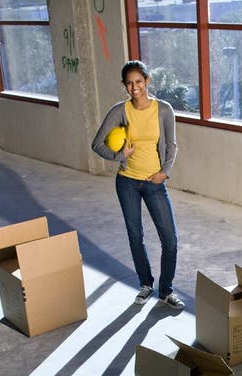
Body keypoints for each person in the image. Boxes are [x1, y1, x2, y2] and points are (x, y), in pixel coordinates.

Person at [92, 60, 184, 309]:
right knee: (136, 236)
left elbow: (172, 145)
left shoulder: (163, 109)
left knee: (170, 241)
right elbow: (97, 144)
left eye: (139, 82)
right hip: (127, 182)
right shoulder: (119, 111)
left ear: (147, 81)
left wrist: (165, 173)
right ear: (125, 85)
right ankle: (146, 284)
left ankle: (166, 290)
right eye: (130, 83)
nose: (135, 88)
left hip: (154, 182)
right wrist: (120, 156)